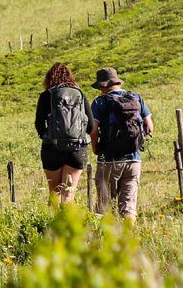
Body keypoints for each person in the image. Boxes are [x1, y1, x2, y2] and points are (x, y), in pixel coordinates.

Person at [89, 67, 153, 219]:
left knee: (104, 206)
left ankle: (105, 240)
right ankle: (128, 239)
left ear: (103, 86)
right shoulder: (136, 98)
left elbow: (93, 130)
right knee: (128, 208)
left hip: (108, 160)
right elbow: (149, 126)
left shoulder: (99, 102)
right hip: (133, 159)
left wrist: (95, 148)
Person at [33, 62, 91, 204]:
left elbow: (39, 124)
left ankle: (54, 225)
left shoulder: (46, 95)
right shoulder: (80, 94)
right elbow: (91, 125)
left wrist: (47, 137)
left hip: (52, 148)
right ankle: (68, 224)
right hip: (77, 148)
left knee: (54, 192)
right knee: (69, 193)